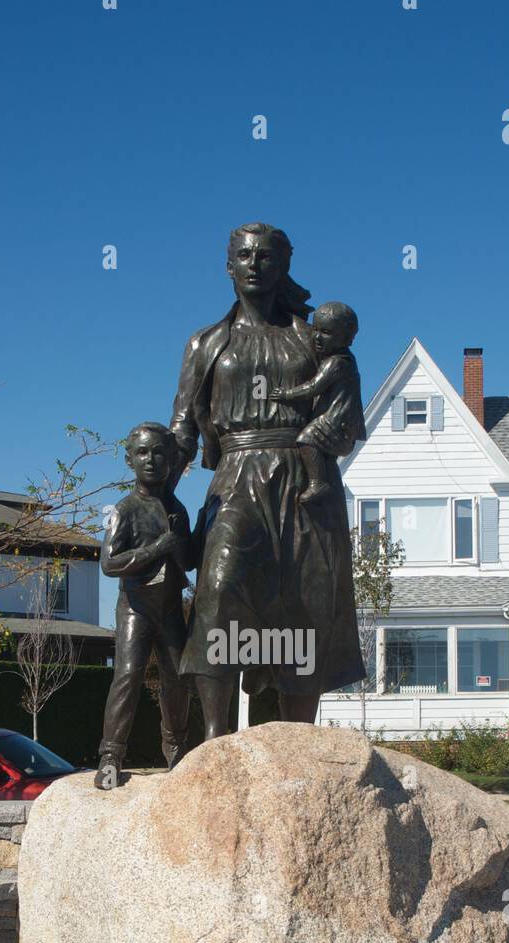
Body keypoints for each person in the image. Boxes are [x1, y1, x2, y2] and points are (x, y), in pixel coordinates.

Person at [169, 222, 365, 741]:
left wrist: (329, 436)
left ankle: (297, 741)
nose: (254, 263)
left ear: (284, 265)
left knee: (307, 604)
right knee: (218, 590)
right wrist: (154, 494)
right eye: (244, 255)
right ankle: (215, 741)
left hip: (305, 479)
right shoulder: (206, 343)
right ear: (228, 265)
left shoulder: (312, 337)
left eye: (266, 256)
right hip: (235, 476)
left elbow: (346, 414)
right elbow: (183, 428)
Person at [94, 423, 193, 790]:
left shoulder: (177, 508)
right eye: (142, 453)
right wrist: (156, 549)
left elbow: (188, 558)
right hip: (136, 605)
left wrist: (187, 540)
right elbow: (108, 563)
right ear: (129, 460)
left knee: (178, 678)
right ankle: (110, 757)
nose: (150, 460)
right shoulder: (125, 509)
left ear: (170, 460)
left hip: (170, 606)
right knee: (128, 676)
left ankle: (177, 750)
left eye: (159, 453)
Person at [270, 300, 364, 504]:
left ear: (346, 338)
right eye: (316, 330)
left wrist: (285, 395)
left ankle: (317, 482)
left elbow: (312, 387)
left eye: (327, 332)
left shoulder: (336, 363)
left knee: (307, 437)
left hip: (337, 421)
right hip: (340, 421)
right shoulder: (344, 360)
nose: (317, 337)